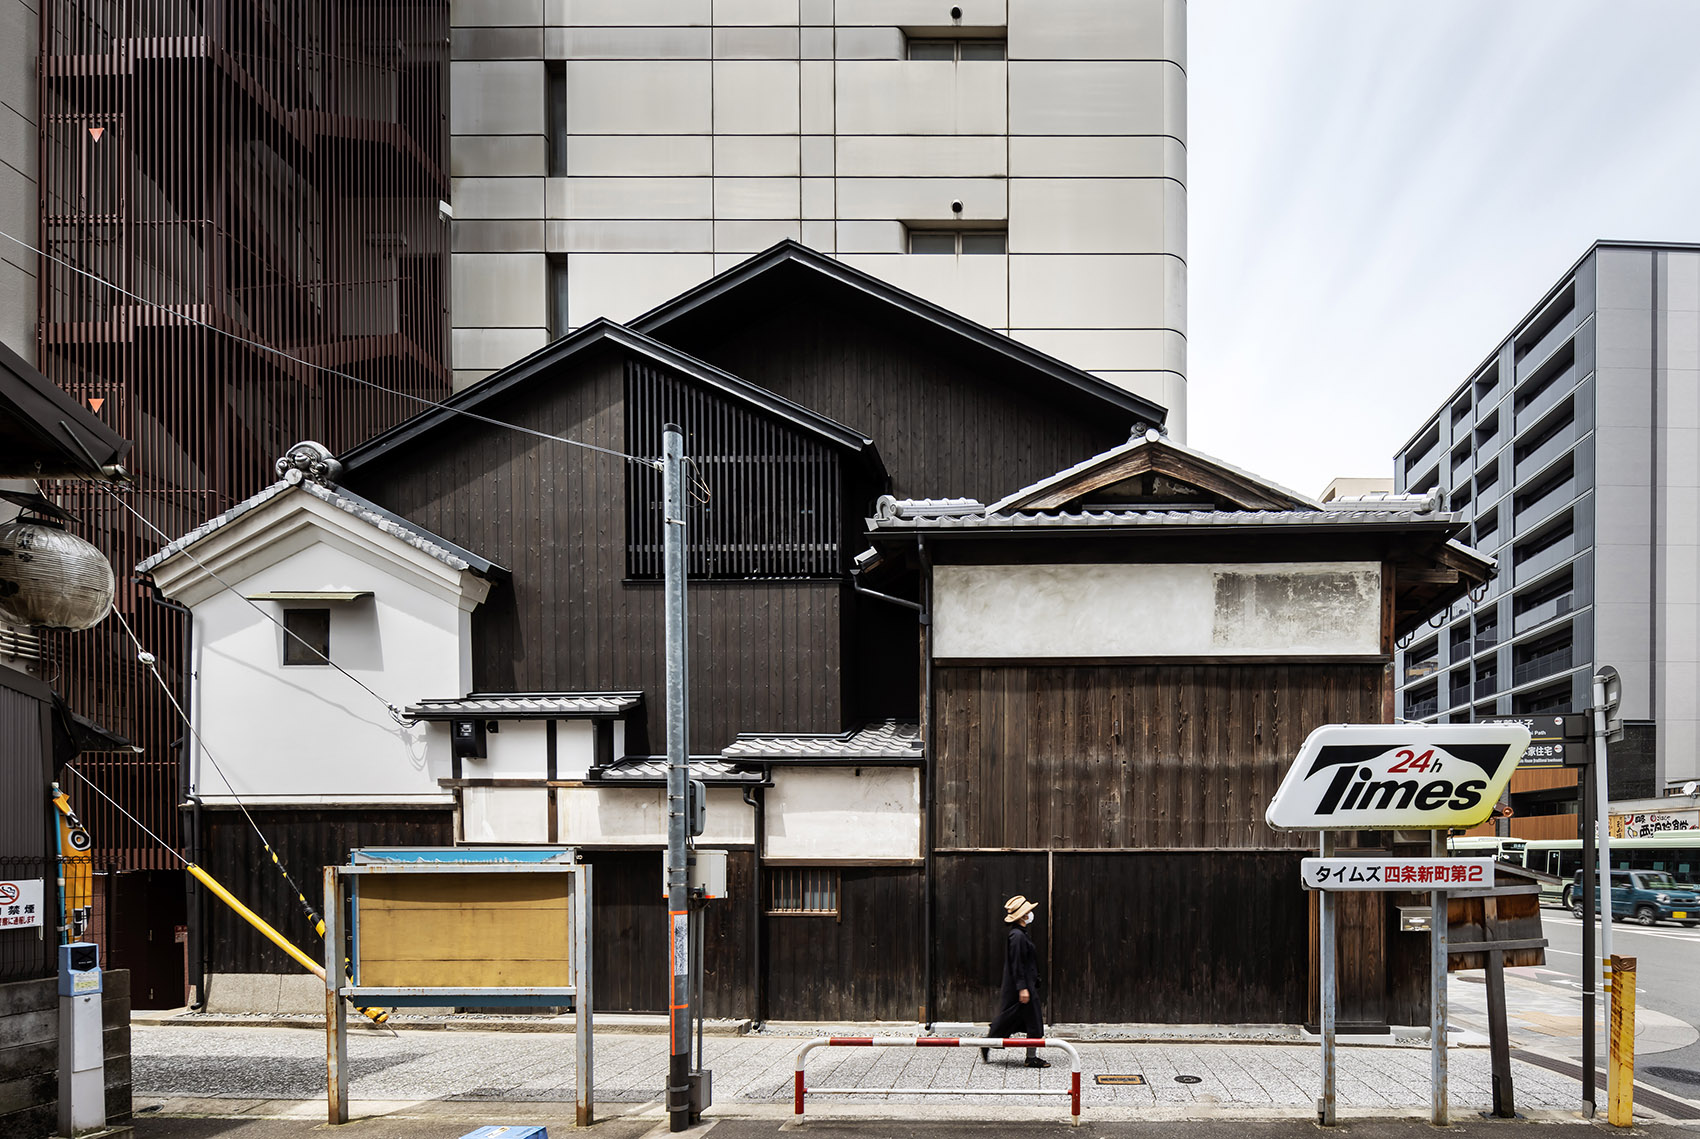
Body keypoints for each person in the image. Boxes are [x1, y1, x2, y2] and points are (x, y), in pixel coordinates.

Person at [984, 894, 1048, 1067]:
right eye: (1028, 912)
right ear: (1023, 916)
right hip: (1023, 986)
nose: (1030, 914)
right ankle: (991, 1041)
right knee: (1030, 1021)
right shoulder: (1017, 936)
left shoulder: (1020, 934)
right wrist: (1023, 988)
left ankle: (992, 1041)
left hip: (1026, 984)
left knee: (1023, 1020)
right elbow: (1017, 964)